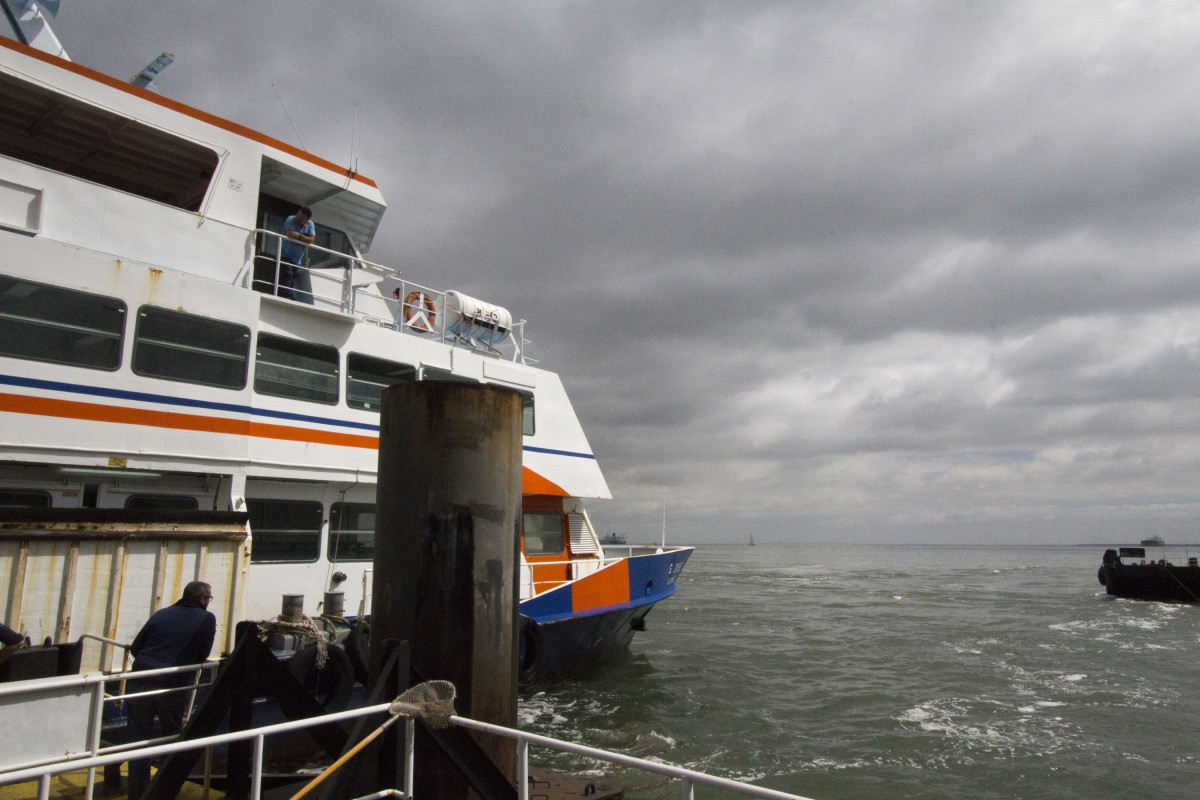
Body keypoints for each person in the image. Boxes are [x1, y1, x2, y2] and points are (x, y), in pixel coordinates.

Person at [125, 582, 216, 800]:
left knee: (138, 741)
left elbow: (136, 648)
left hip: (139, 680)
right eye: (209, 599)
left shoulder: (162, 613)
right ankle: (164, 791)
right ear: (203, 600)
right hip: (172, 685)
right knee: (171, 736)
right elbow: (203, 654)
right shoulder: (206, 619)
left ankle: (137, 794)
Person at [279, 206, 315, 304]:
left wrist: (299, 235)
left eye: (301, 217)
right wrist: (304, 238)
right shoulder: (291, 219)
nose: (298, 218)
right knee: (287, 274)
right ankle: (288, 297)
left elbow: (311, 240)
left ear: (306, 219)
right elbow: (289, 234)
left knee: (292, 276)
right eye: (298, 215)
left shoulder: (310, 224)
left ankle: (286, 295)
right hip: (285, 255)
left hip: (297, 260)